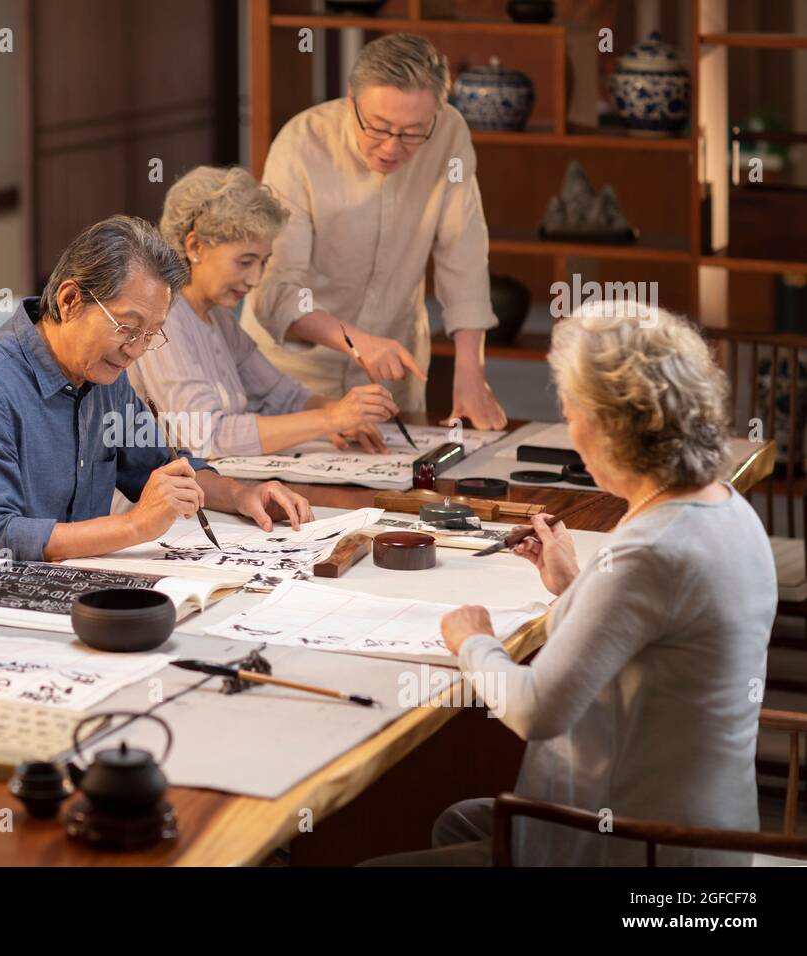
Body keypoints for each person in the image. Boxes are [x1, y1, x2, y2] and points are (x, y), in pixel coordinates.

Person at [420, 302, 775, 866]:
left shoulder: (652, 548)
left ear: (613, 425)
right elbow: (660, 627)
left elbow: (537, 711)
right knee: (457, 820)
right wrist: (577, 586)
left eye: (570, 409)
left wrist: (472, 640)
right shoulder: (723, 507)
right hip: (705, 831)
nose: (569, 426)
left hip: (645, 849)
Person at [0, 215, 314, 568]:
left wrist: (244, 495)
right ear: (69, 300)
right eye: (126, 328)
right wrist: (134, 526)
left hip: (76, 584)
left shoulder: (104, 376)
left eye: (151, 335)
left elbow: (164, 467)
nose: (135, 351)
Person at [242, 32, 507, 430]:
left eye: (413, 132)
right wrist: (357, 342)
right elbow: (277, 290)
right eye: (378, 127)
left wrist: (472, 370)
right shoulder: (301, 144)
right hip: (292, 378)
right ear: (351, 99)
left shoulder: (450, 134)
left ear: (437, 110)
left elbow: (463, 256)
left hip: (388, 377)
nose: (391, 148)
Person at [128, 164, 399, 459]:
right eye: (245, 262)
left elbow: (283, 395)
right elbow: (205, 436)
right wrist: (330, 420)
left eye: (263, 263)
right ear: (195, 246)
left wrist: (344, 412)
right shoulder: (164, 319)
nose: (255, 279)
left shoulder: (218, 319)